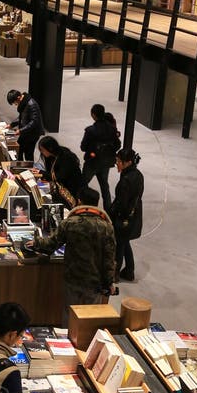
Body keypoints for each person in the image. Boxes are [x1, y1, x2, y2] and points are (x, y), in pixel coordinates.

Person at [32, 186, 116, 319]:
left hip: (72, 279)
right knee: (90, 319)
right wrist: (109, 282)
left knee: (69, 316)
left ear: (79, 201)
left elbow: (50, 245)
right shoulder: (106, 227)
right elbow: (109, 259)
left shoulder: (70, 223)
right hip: (95, 283)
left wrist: (36, 241)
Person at [109, 148, 144, 282]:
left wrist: (112, 213)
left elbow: (122, 204)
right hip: (134, 215)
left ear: (128, 162)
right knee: (125, 242)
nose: (116, 164)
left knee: (119, 245)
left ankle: (114, 274)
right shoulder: (139, 175)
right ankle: (129, 271)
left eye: (119, 161)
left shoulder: (125, 181)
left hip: (124, 218)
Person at [80, 103, 121, 211]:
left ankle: (79, 205)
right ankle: (108, 211)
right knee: (105, 187)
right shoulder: (112, 129)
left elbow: (83, 147)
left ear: (93, 115)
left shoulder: (90, 130)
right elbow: (118, 144)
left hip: (92, 162)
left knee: (82, 184)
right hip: (106, 163)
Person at [36, 135, 84, 210]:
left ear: (50, 148)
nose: (41, 152)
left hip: (71, 187)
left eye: (42, 149)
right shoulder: (51, 157)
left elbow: (59, 177)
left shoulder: (66, 157)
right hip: (61, 187)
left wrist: (41, 172)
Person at [6, 88, 44, 162]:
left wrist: (21, 130)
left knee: (28, 154)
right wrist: (12, 125)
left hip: (33, 133)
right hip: (26, 132)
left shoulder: (31, 104)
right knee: (19, 149)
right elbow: (22, 117)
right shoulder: (24, 103)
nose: (15, 105)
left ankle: (29, 170)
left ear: (18, 97)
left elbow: (34, 122)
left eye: (14, 103)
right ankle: (20, 167)